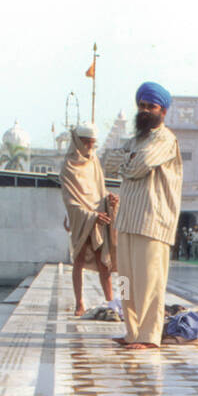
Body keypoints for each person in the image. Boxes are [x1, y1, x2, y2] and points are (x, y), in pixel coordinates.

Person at [113, 81, 183, 350]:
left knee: (150, 283)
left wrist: (126, 160)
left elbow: (137, 166)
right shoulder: (135, 141)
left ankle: (149, 336)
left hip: (153, 220)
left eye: (150, 106)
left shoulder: (165, 139)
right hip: (128, 219)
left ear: (162, 111)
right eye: (141, 105)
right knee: (126, 283)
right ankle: (131, 332)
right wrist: (126, 159)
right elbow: (111, 160)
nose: (144, 110)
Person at [60, 121, 120, 318]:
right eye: (86, 143)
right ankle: (79, 303)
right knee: (78, 259)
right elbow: (71, 200)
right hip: (82, 219)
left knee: (104, 262)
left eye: (93, 143)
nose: (90, 147)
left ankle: (111, 301)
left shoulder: (94, 162)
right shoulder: (68, 166)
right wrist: (91, 216)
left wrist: (109, 200)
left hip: (100, 217)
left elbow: (99, 191)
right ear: (78, 141)